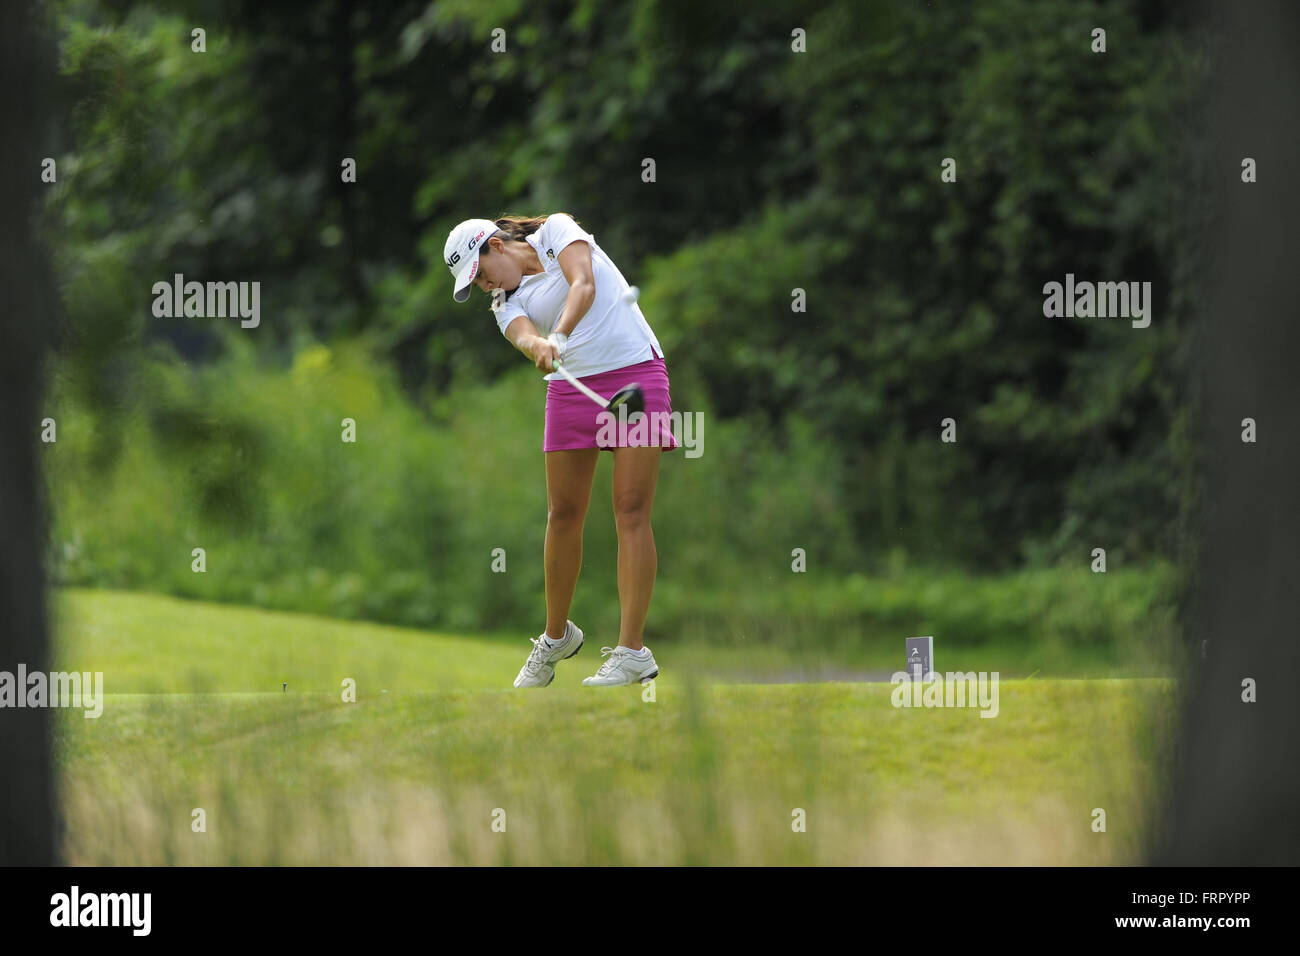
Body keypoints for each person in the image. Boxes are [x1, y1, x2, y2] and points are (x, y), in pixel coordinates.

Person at [444, 213, 678, 687]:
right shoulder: (503, 304)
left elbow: (584, 285)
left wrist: (560, 336)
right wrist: (537, 347)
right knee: (563, 514)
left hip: (634, 373)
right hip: (572, 391)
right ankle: (556, 638)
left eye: (482, 271)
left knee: (631, 511)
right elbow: (525, 335)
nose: (486, 284)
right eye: (477, 282)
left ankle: (632, 651)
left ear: (496, 245)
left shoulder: (556, 231)